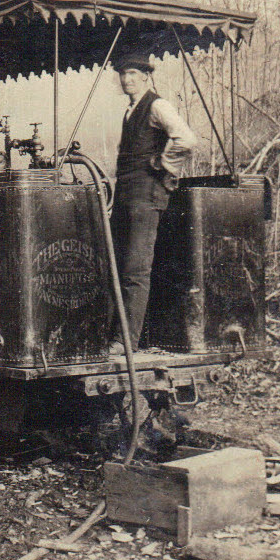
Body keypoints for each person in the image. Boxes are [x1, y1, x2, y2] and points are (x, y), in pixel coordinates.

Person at [108, 50, 197, 356]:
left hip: (146, 196)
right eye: (123, 74)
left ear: (146, 76)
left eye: (133, 73)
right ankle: (116, 336)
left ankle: (126, 342)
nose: (126, 79)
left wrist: (163, 163)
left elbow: (186, 139)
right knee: (119, 265)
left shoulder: (157, 105)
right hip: (126, 196)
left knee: (135, 270)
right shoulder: (130, 111)